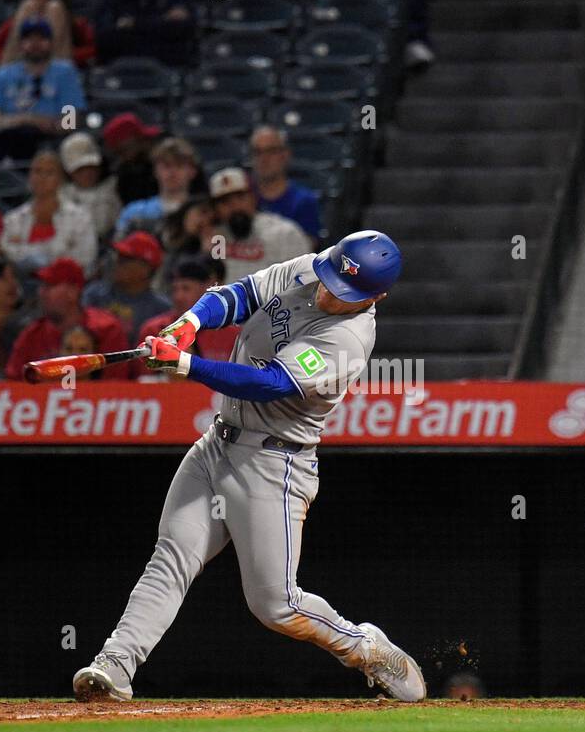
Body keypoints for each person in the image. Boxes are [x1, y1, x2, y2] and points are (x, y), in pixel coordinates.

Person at [72, 230, 427, 703]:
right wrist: (190, 323)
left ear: (376, 296)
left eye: (343, 292)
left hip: (273, 464)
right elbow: (240, 295)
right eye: (330, 278)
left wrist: (185, 366)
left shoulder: (349, 338)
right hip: (217, 443)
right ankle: (115, 665)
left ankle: (364, 648)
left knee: (275, 606)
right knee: (172, 555)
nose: (327, 292)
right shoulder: (313, 268)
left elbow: (268, 383)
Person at [4, 257, 129, 380]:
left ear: (73, 291)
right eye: (42, 286)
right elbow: (13, 384)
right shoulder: (32, 335)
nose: (42, 292)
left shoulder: (107, 330)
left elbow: (116, 385)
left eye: (50, 286)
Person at [0, 18, 87, 161]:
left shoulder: (65, 73)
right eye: (29, 39)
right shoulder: (3, 75)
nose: (35, 44)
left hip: (51, 141)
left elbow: (70, 120)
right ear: (21, 44)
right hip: (9, 139)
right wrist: (20, 120)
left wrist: (45, 124)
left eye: (41, 39)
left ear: (51, 43)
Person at [1, 149, 98, 277]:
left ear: (61, 179)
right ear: (30, 176)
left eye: (49, 173)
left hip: (66, 283)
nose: (42, 178)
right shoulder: (13, 219)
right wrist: (59, 252)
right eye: (37, 171)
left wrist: (32, 255)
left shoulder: (80, 217)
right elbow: (7, 253)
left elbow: (85, 257)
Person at [208, 166, 310, 282]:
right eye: (225, 202)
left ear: (253, 198)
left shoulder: (285, 233)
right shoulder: (213, 237)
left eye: (240, 197)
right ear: (215, 209)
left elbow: (303, 280)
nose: (235, 207)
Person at [136, 255, 239, 364]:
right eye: (175, 289)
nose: (178, 297)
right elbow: (140, 379)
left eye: (186, 288)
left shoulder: (231, 334)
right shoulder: (154, 330)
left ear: (206, 290)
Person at [82, 231, 170, 344]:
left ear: (145, 270)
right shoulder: (95, 295)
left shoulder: (160, 309)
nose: (117, 262)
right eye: (118, 257)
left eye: (125, 259)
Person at [250, 125, 322, 246]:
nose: (264, 158)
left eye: (271, 151)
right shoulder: (245, 200)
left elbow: (307, 250)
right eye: (258, 152)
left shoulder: (303, 201)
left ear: (285, 155)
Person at [115, 136, 199, 236]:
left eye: (179, 166)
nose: (172, 172)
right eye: (166, 166)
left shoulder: (203, 214)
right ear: (155, 170)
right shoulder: (134, 212)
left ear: (192, 171)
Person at [59, 131, 120, 239]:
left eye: (91, 166)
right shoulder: (61, 196)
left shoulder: (115, 186)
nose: (88, 173)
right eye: (80, 169)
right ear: (68, 172)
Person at [103, 112, 162, 206]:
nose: (148, 144)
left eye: (146, 139)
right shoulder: (124, 176)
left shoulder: (162, 163)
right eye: (141, 140)